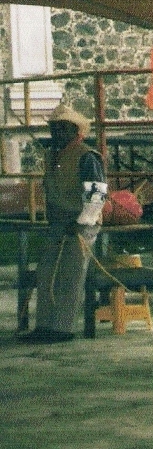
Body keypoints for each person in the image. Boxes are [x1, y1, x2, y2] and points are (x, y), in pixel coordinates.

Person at [18, 104, 106, 343]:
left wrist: (81, 222)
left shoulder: (87, 156)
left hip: (81, 225)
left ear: (74, 130)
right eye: (54, 128)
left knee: (70, 273)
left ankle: (62, 328)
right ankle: (44, 326)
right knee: (46, 273)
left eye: (62, 129)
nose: (57, 133)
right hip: (57, 223)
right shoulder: (51, 156)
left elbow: (97, 194)